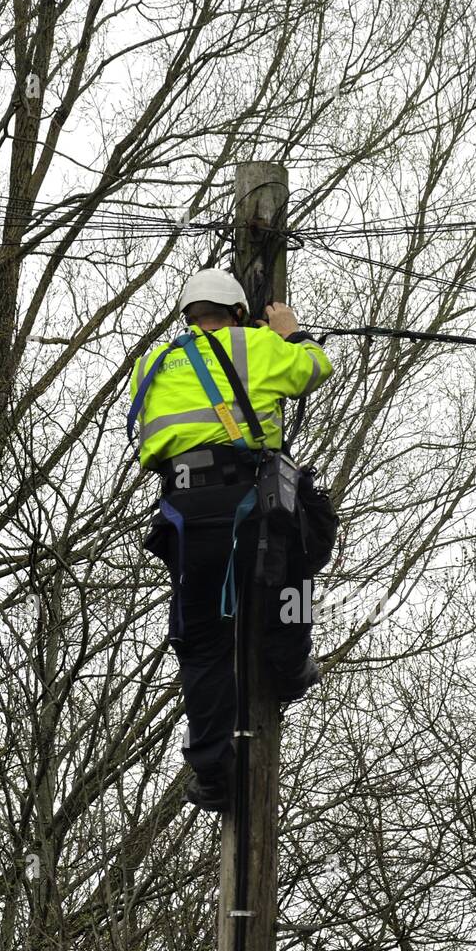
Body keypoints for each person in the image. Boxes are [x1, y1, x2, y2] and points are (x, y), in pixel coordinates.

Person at [128, 268, 333, 811]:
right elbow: (315, 368)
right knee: (299, 561)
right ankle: (289, 659)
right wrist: (290, 331)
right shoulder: (256, 343)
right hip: (250, 505)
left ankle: (213, 770)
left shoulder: (150, 364)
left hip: (183, 513)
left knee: (200, 641)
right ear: (238, 312)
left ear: (189, 316)